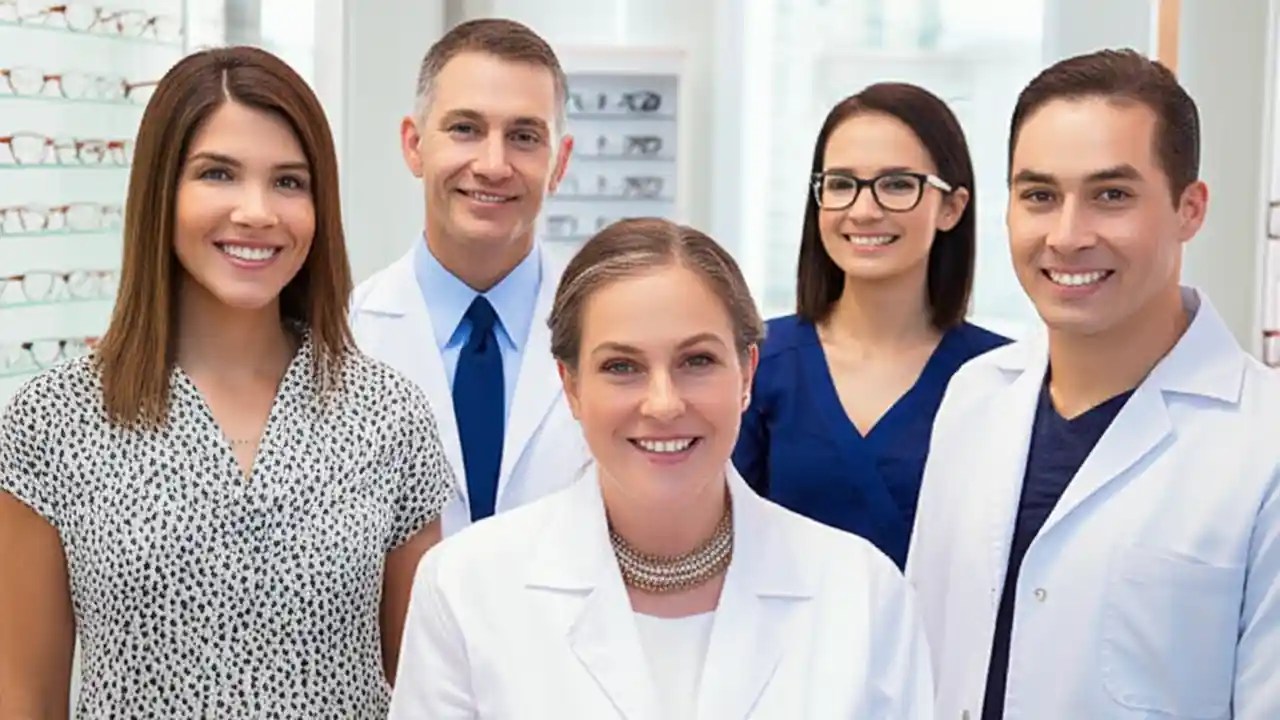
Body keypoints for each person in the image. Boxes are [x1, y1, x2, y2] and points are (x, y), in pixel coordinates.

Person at [0, 46, 455, 718]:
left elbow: (427, 694)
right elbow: (25, 699)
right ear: (161, 192)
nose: (256, 211)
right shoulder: (51, 420)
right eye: (218, 174)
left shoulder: (389, 415)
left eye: (289, 182)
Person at [387, 218, 933, 719]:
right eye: (621, 367)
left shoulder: (862, 594)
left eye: (697, 361)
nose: (664, 403)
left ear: (746, 373)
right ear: (571, 386)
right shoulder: (465, 587)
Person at [907, 49, 1280, 719]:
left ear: (1189, 209)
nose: (1067, 235)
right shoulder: (974, 397)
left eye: (1112, 195)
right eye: (1039, 196)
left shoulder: (1263, 445)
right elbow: (923, 665)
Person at [733, 83, 1008, 568]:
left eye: (898, 184)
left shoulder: (1004, 379)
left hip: (942, 643)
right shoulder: (757, 363)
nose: (863, 210)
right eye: (841, 184)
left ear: (952, 207)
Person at [350, 18, 590, 536]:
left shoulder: (611, 330)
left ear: (560, 162)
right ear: (414, 145)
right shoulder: (346, 338)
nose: (493, 164)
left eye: (524, 137)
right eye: (465, 129)